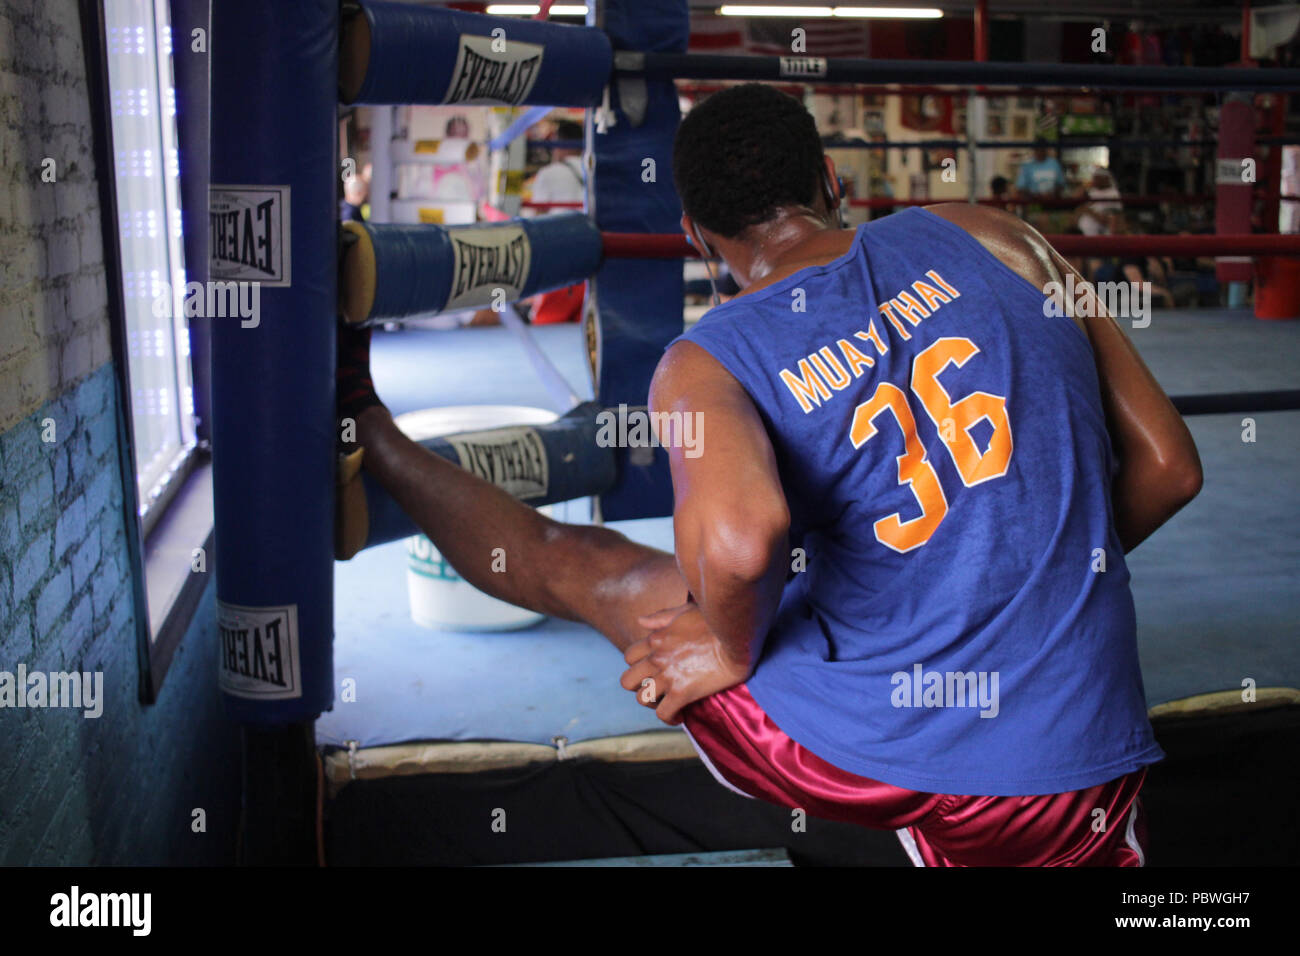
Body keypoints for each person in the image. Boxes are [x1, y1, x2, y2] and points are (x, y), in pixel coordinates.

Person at [338, 84, 1201, 866]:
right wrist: (1021, 574)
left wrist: (727, 640)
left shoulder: (707, 361)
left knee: (607, 574)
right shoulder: (996, 234)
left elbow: (745, 547)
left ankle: (372, 432)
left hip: (896, 757)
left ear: (694, 234)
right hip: (1085, 752)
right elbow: (1168, 467)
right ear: (831, 176)